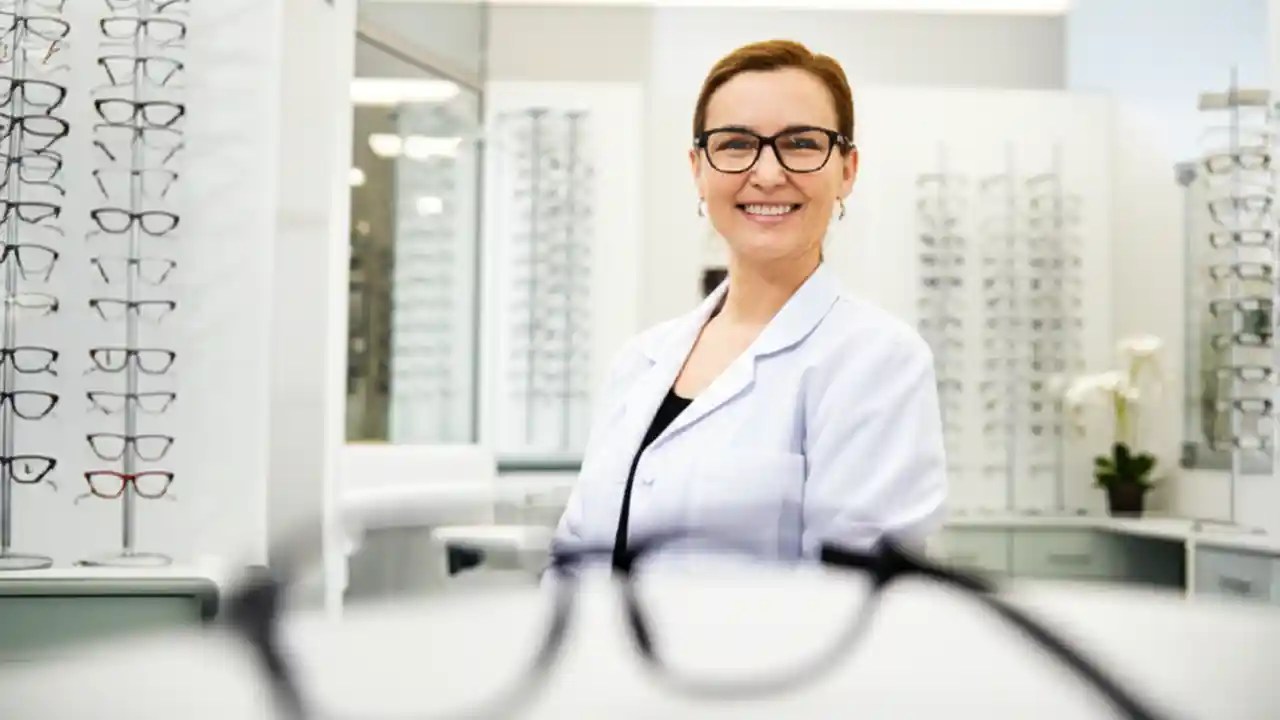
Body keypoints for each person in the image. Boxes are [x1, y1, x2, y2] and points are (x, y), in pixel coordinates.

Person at [553, 39, 947, 564]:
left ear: (847, 170)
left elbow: (856, 597)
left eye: (802, 144)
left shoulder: (878, 361)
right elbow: (574, 558)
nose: (766, 173)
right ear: (698, 168)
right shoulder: (639, 361)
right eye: (736, 144)